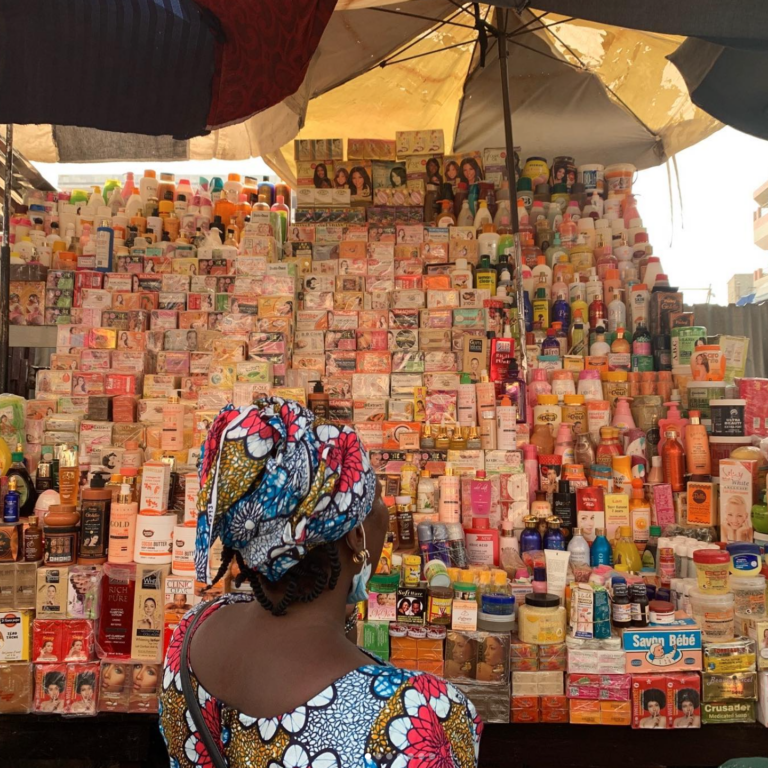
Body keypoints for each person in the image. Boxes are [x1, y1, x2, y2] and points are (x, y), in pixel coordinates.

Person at [160, 398, 481, 768]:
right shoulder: (421, 715)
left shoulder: (192, 632)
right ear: (355, 537)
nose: (386, 514)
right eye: (377, 499)